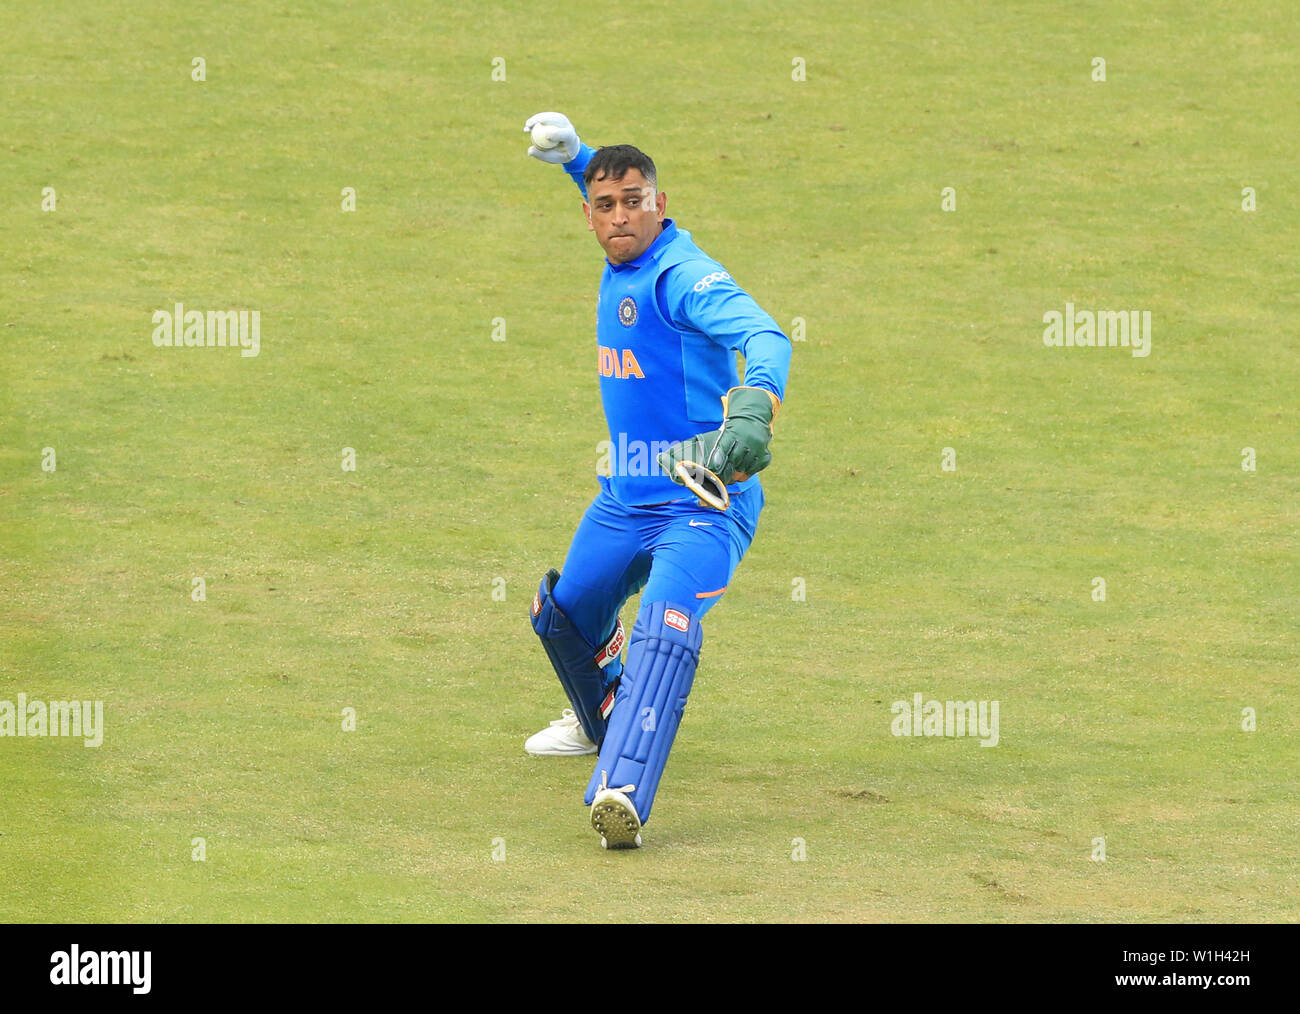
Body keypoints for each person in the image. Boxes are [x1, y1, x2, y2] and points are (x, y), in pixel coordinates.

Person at [522, 111, 792, 849]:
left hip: (705, 504)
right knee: (565, 617)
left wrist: (754, 409)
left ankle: (623, 791)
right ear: (588, 215)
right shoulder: (621, 248)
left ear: (660, 206)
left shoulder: (682, 277)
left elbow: (765, 334)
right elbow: (607, 190)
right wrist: (579, 156)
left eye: (635, 200)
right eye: (604, 204)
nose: (620, 216)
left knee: (662, 633)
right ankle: (597, 720)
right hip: (628, 495)